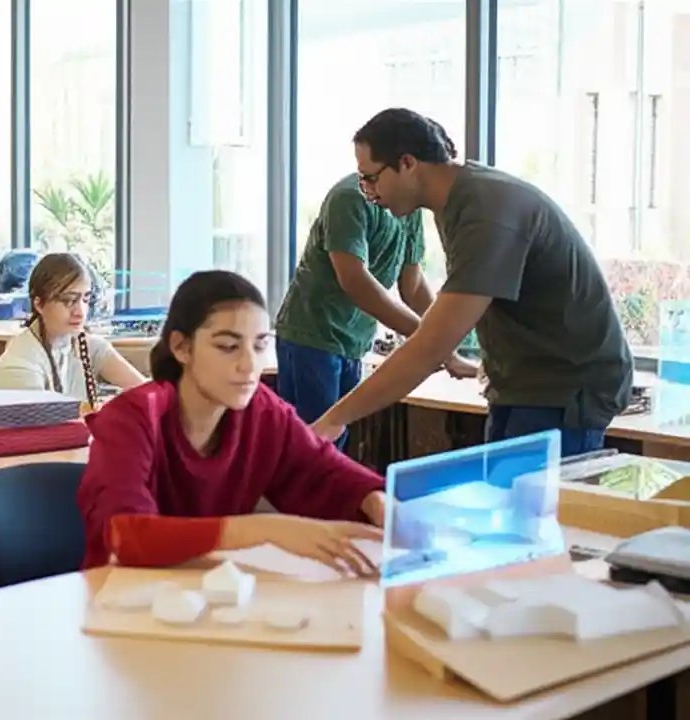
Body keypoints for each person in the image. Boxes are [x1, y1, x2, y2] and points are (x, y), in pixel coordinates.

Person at [311, 108, 634, 456]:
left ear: (407, 163)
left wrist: (333, 421)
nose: (369, 192)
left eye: (371, 178)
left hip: (566, 387)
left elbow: (429, 347)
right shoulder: (454, 201)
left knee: (528, 491)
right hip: (520, 381)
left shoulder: (486, 211)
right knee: (499, 485)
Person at [77, 270, 386, 573]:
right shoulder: (131, 417)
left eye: (260, 345)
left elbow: (323, 471)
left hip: (209, 592)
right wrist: (263, 530)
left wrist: (374, 500)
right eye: (228, 346)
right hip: (120, 594)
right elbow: (124, 535)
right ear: (181, 347)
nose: (249, 365)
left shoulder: (262, 411)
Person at [275, 159, 476, 449]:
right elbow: (357, 284)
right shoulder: (349, 198)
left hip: (354, 341)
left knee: (337, 442)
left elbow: (413, 286)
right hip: (311, 335)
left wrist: (447, 339)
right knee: (315, 445)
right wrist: (435, 343)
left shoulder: (408, 209)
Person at [0, 253, 143, 406]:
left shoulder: (90, 347)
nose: (80, 312)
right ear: (39, 304)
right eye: (69, 301)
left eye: (85, 299)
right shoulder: (18, 367)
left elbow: (147, 393)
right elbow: (47, 421)